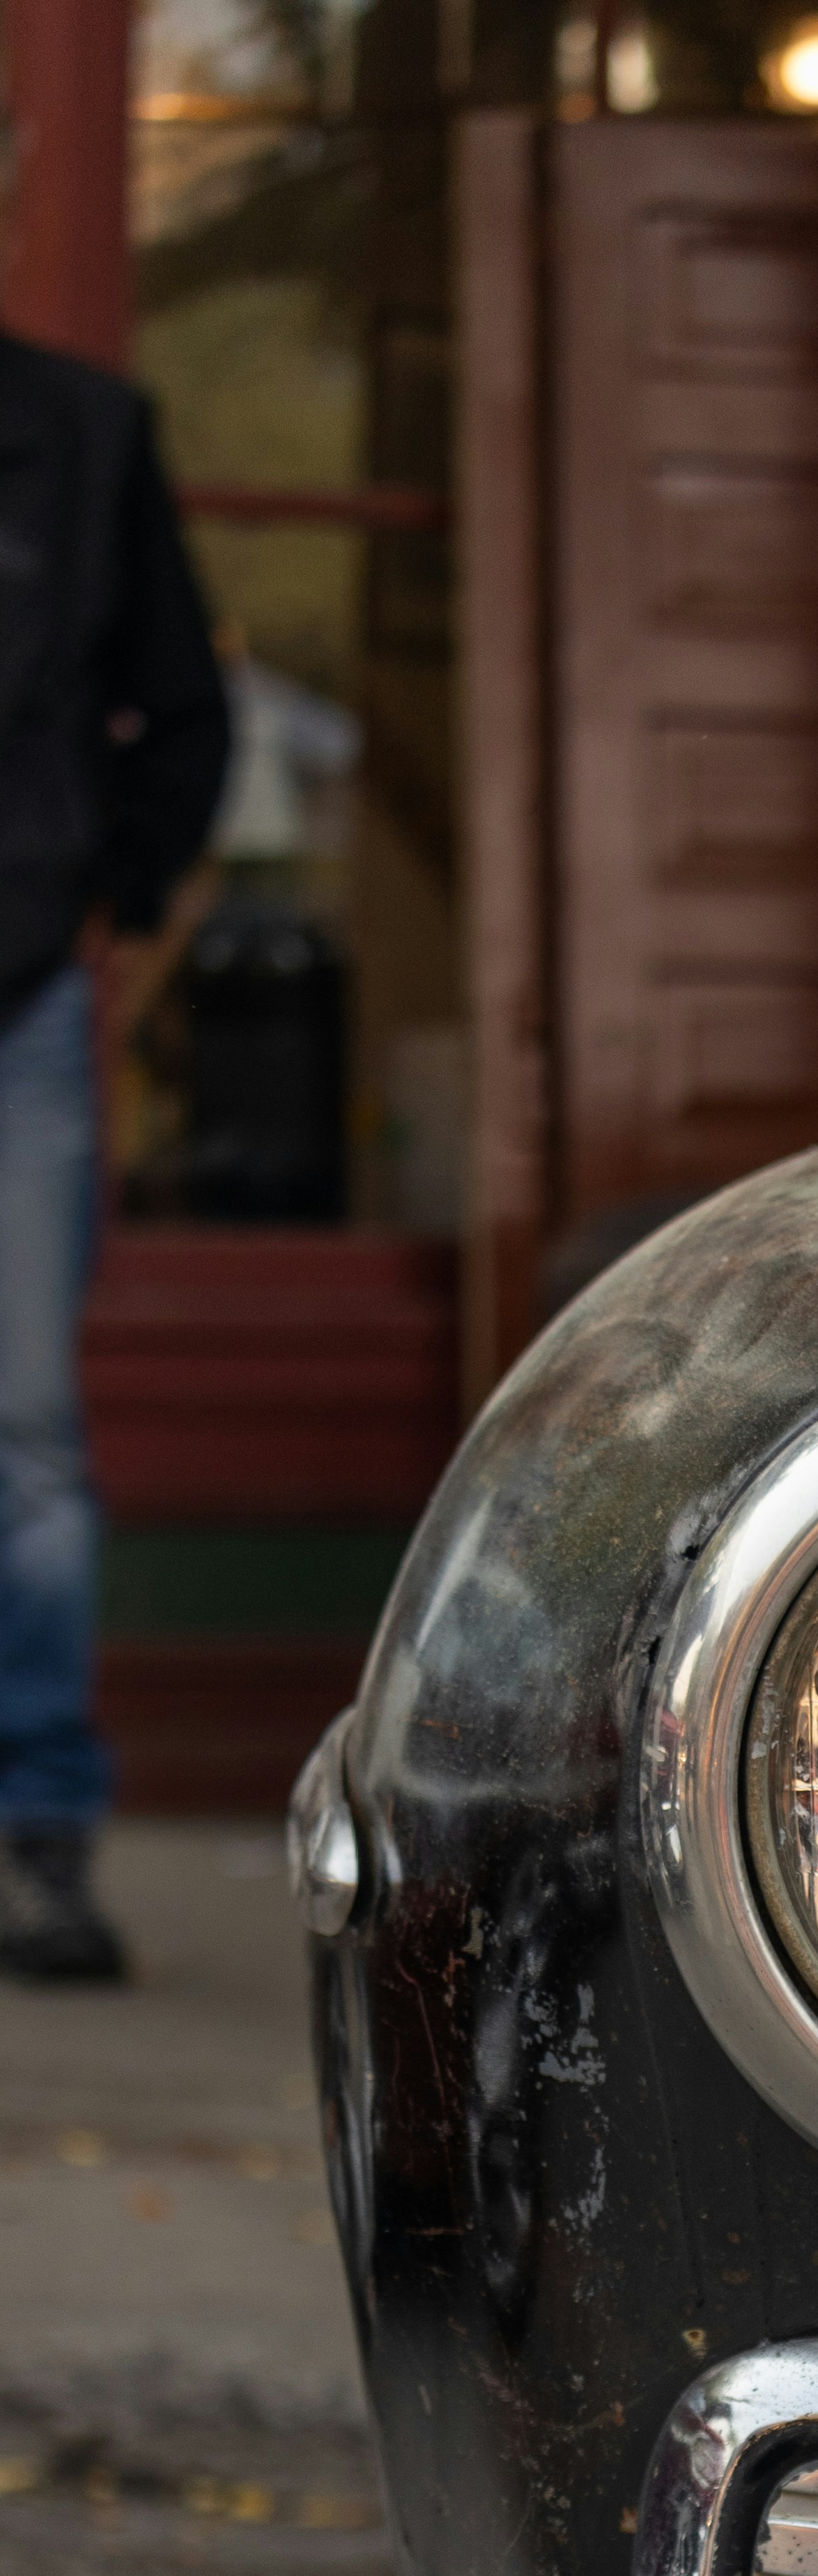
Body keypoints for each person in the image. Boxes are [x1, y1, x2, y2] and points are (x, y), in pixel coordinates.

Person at [0, 210, 229, 1984]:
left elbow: (181, 704)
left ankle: (37, 1833)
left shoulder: (81, 431)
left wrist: (112, 897)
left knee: (22, 1442)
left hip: (18, 1006)